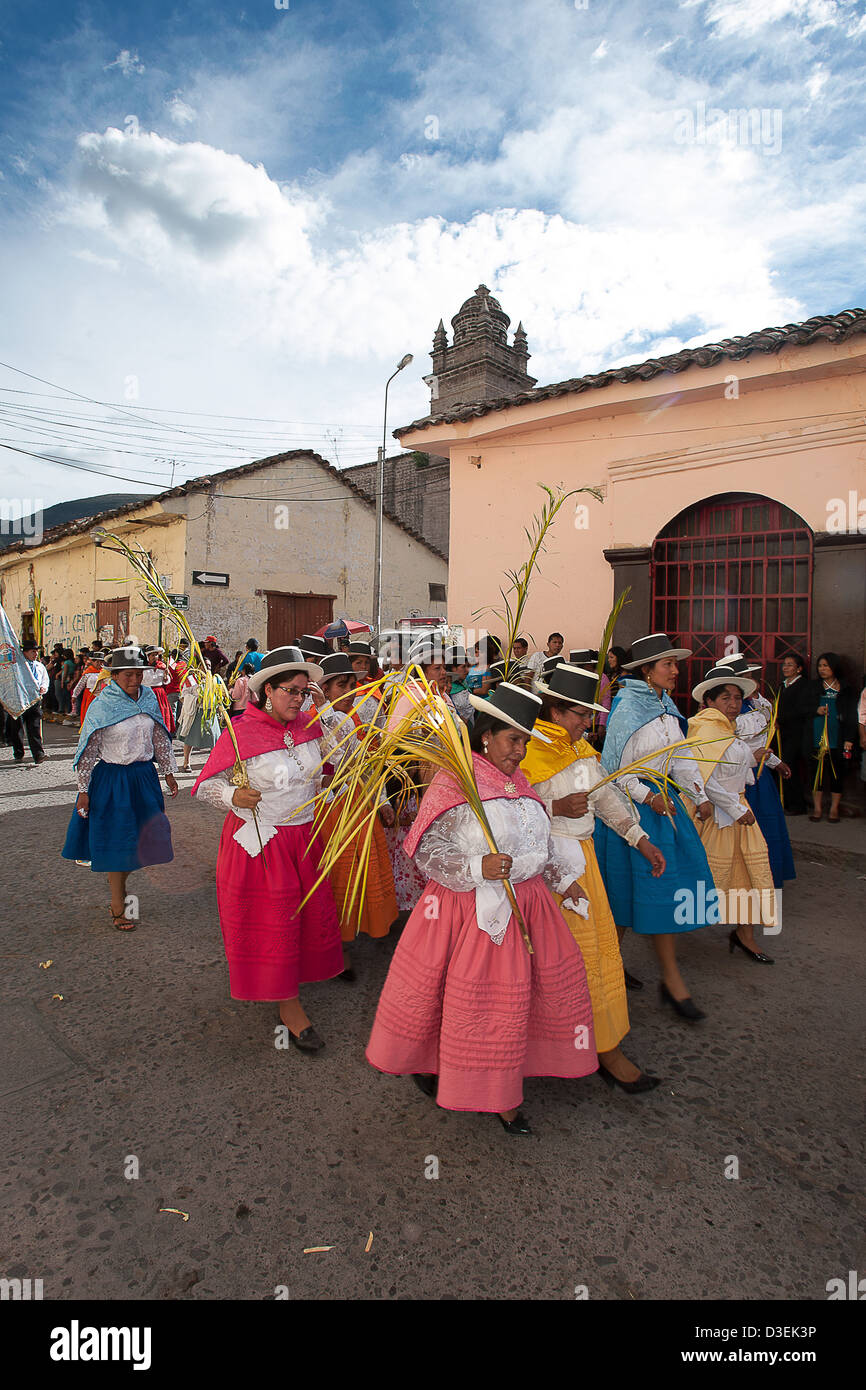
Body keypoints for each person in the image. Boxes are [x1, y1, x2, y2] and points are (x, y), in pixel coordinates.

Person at [366, 682, 598, 1136]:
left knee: (514, 1006)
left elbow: (539, 846)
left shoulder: (522, 785)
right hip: (464, 912)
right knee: (464, 1002)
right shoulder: (457, 782)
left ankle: (503, 1083)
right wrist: (479, 865)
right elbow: (426, 849)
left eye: (526, 740)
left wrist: (563, 882)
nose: (521, 749)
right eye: (514, 738)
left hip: (528, 909)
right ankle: (478, 1086)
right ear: (486, 736)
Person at [191, 646, 344, 1050]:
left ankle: (295, 980)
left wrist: (325, 713)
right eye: (290, 691)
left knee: (304, 917)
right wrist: (231, 796)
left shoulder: (313, 727)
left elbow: (343, 760)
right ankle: (288, 1005)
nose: (298, 699)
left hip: (305, 839)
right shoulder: (241, 733)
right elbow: (205, 785)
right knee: (277, 922)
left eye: (304, 691)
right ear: (267, 691)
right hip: (263, 844)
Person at [522, 663, 666, 1093]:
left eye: (590, 714)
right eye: (580, 714)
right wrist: (554, 807)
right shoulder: (525, 751)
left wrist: (639, 838)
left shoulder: (581, 751)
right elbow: (510, 814)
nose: (589, 722)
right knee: (554, 963)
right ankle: (541, 1051)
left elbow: (605, 798)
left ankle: (601, 1045)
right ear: (554, 709)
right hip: (545, 868)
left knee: (596, 957)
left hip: (584, 863)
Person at [593, 632, 715, 1021]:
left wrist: (699, 794)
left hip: (667, 811)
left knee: (663, 895)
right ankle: (604, 973)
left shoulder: (665, 707)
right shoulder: (628, 710)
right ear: (647, 671)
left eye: (674, 664)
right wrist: (649, 798)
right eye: (668, 664)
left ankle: (670, 979)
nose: (675, 671)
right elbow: (614, 773)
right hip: (632, 815)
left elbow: (680, 758)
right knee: (625, 900)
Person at [61, 645, 178, 928]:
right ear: (113, 675)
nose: (135, 680)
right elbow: (89, 749)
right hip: (112, 781)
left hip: (143, 779)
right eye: (128, 674)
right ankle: (118, 903)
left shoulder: (148, 698)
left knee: (136, 842)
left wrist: (168, 772)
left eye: (139, 674)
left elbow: (159, 738)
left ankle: (120, 890)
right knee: (116, 841)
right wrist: (84, 791)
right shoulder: (103, 705)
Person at [315, 652, 398, 979]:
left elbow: (368, 766)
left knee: (359, 876)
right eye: (341, 685)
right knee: (336, 880)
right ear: (324, 688)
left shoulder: (355, 721)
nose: (350, 691)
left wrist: (383, 801)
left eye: (353, 684)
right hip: (326, 810)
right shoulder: (311, 720)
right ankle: (338, 949)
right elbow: (324, 757)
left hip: (357, 805)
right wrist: (323, 711)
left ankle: (355, 933)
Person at [687, 667, 778, 964]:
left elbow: (730, 767)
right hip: (718, 816)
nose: (733, 703)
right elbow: (706, 779)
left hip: (739, 813)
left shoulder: (729, 728)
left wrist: (754, 758)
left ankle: (745, 934)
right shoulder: (705, 730)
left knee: (748, 874)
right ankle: (665, 933)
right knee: (701, 876)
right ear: (709, 701)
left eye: (737, 697)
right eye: (725, 697)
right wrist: (737, 810)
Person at [716, 653, 794, 887]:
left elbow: (761, 744)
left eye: (749, 675)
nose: (749, 679)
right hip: (733, 781)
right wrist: (754, 758)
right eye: (743, 676)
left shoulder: (757, 706)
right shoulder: (722, 713)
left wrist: (774, 762)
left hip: (760, 780)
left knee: (766, 826)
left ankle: (765, 877)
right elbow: (725, 749)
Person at [805, 652, 858, 821]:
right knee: (816, 775)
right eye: (820, 666)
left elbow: (852, 715)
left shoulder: (846, 688)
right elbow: (802, 708)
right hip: (817, 738)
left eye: (826, 665)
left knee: (837, 774)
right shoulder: (813, 687)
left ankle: (834, 809)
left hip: (838, 737)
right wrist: (816, 710)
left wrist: (850, 738)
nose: (822, 669)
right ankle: (818, 808)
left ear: (834, 667)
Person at [777, 652, 811, 814]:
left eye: (790, 665)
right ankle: (785, 801)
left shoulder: (804, 685)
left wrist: (781, 719)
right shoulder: (782, 685)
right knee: (780, 765)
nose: (786, 667)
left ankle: (798, 805)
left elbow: (801, 709)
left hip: (796, 732)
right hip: (782, 733)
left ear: (799, 669)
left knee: (790, 766)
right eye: (784, 664)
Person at [10, 638, 49, 764]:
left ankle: (38, 754)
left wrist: (44, 687)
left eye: (36, 651)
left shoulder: (39, 666)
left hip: (35, 700)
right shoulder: (17, 666)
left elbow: (45, 679)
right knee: (16, 728)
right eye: (33, 651)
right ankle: (18, 751)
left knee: (35, 727)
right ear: (25, 652)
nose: (35, 654)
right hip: (19, 700)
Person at [178, 664, 222, 771]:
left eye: (209, 665)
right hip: (196, 713)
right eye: (204, 665)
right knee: (190, 738)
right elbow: (183, 696)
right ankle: (186, 762)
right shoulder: (191, 679)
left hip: (210, 712)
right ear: (199, 667)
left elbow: (220, 695)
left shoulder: (214, 680)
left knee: (214, 738)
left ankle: (214, 763)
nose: (207, 668)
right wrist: (195, 700)